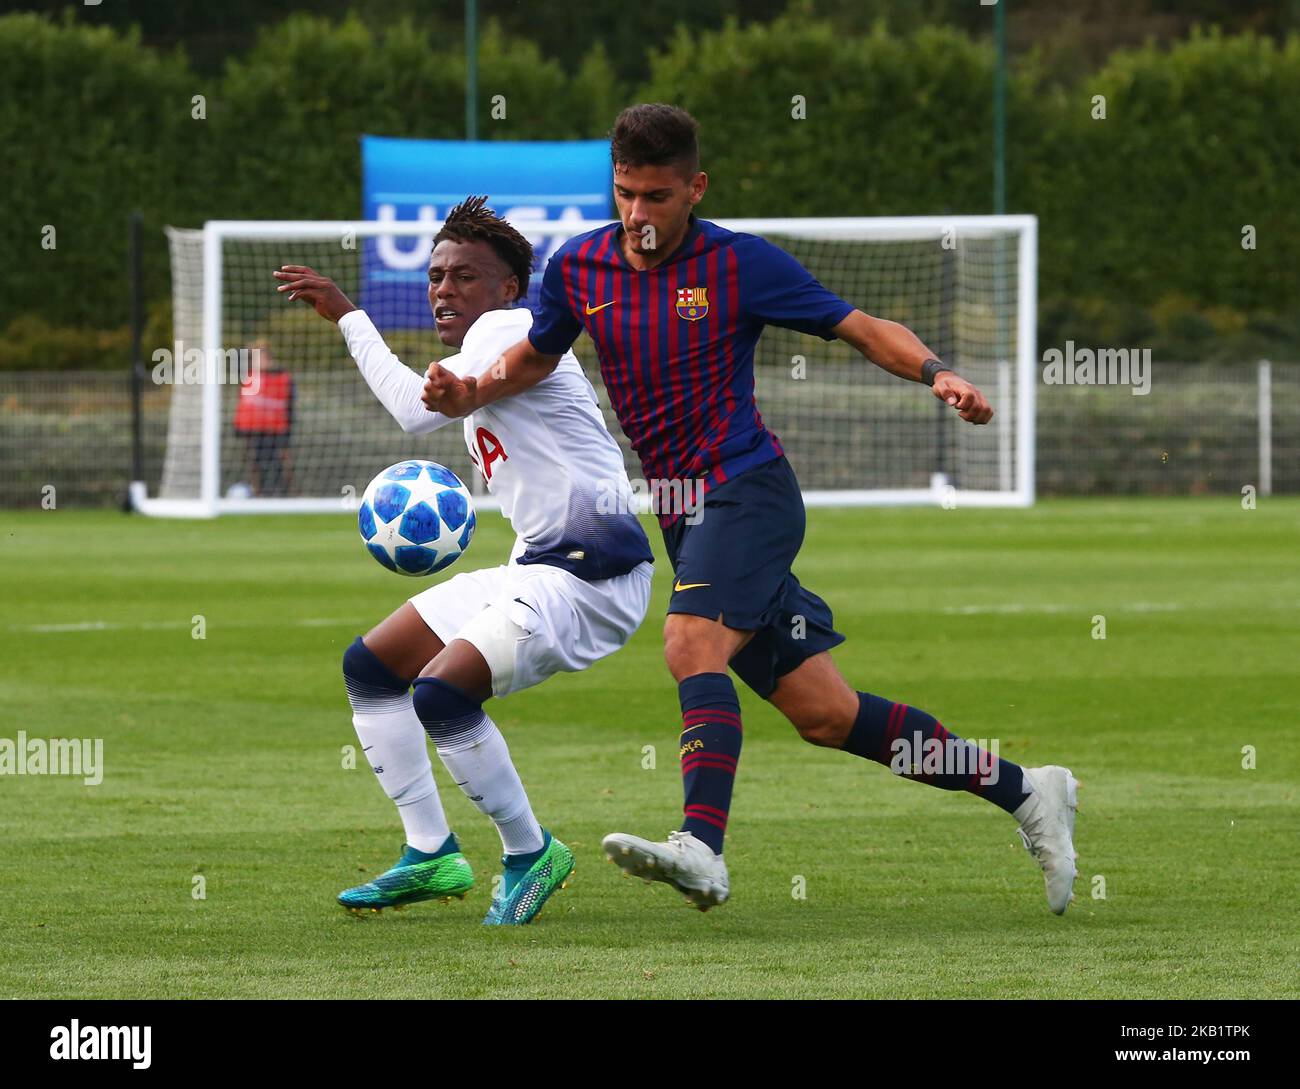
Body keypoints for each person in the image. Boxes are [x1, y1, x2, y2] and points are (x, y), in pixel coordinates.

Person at [421, 106, 1079, 915]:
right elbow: (534, 355)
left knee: (689, 640)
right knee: (826, 712)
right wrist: (472, 390)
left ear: (695, 189)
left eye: (657, 197)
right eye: (626, 193)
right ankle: (1027, 790)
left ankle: (702, 848)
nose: (639, 215)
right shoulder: (581, 266)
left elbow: (862, 327)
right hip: (682, 511)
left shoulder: (741, 264)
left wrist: (937, 371)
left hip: (749, 490)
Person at [273, 195, 654, 925]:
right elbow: (435, 402)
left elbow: (416, 411)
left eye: (464, 276)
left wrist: (350, 316)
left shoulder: (512, 327)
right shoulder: (485, 347)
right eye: (436, 276)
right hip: (539, 565)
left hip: (592, 579)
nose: (444, 289)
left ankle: (528, 850)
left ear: (509, 288)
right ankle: (431, 851)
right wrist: (448, 385)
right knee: (373, 665)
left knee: (442, 694)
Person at [232, 339, 294, 497]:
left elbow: (289, 404)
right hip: (252, 428)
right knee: (254, 463)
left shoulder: (281, 375)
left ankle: (284, 493)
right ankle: (257, 493)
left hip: (276, 428)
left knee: (280, 462)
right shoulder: (248, 374)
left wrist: (287, 428)